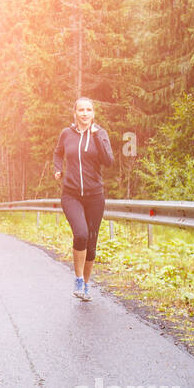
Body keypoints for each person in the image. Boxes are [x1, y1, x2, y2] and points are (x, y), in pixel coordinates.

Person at [52, 97, 113, 301]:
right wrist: (58, 169)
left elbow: (108, 161)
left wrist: (97, 137)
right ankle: (78, 278)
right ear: (75, 113)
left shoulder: (101, 134)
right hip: (71, 194)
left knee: (92, 242)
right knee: (81, 234)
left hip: (95, 196)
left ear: (93, 114)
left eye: (88, 110)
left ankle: (87, 285)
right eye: (81, 110)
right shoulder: (66, 134)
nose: (85, 113)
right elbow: (58, 153)